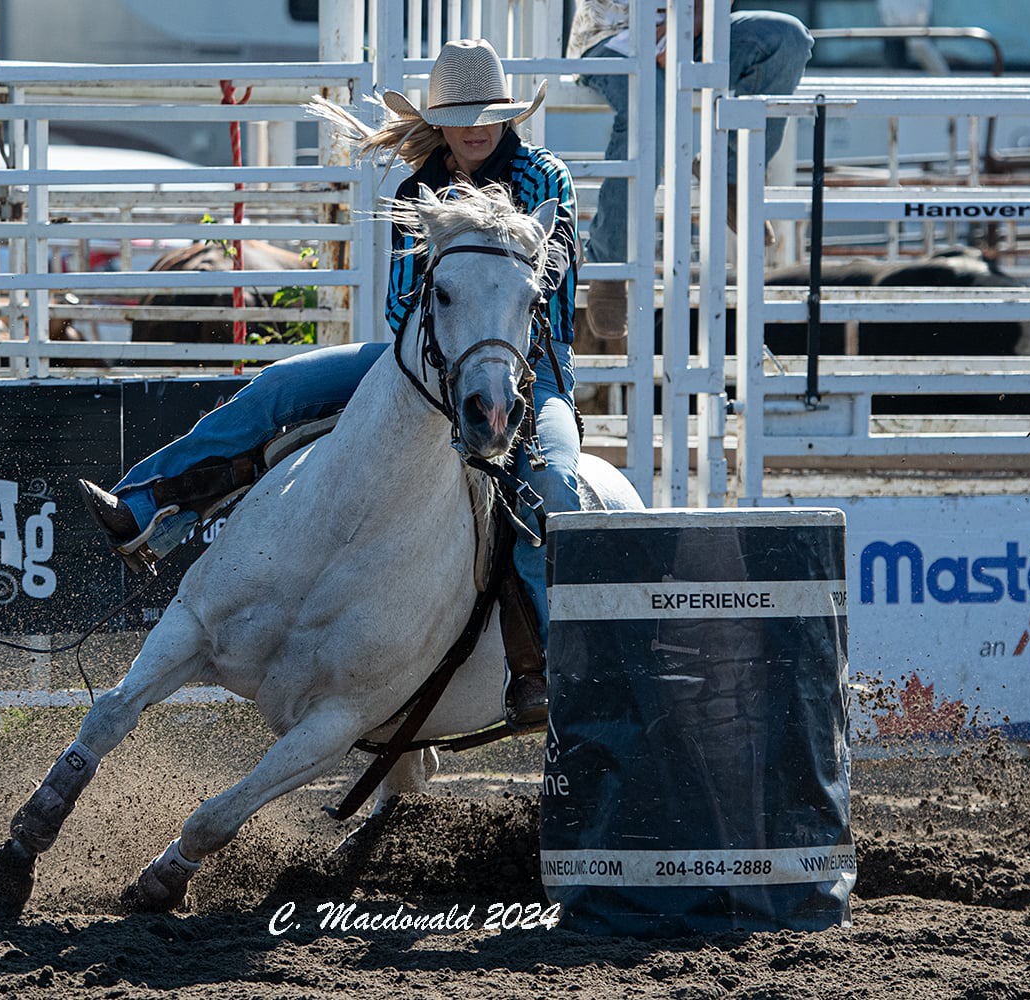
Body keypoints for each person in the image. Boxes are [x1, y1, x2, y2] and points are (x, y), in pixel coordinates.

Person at [78, 38, 580, 729]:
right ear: (439, 119)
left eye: (487, 112)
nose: (476, 126)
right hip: (424, 364)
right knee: (280, 386)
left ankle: (540, 666)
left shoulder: (546, 179)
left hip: (528, 371)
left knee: (554, 487)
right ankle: (148, 504)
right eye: (461, 112)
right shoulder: (420, 190)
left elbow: (548, 291)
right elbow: (403, 307)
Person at [570, 0, 813, 338]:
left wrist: (690, 25)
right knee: (649, 106)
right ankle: (610, 264)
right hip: (612, 36)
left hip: (691, 31)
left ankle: (730, 174)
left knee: (787, 39)